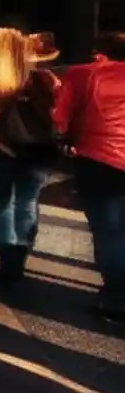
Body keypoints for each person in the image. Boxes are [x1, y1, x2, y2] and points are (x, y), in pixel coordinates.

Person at [0, 27, 60, 285]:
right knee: (27, 202)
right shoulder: (44, 79)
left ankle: (7, 260)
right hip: (38, 151)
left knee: (1, 204)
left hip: (1, 151)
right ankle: (20, 253)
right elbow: (59, 114)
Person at [55, 32, 125, 322]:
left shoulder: (82, 74)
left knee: (109, 232)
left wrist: (66, 140)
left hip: (98, 161)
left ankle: (116, 299)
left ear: (100, 53)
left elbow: (59, 119)